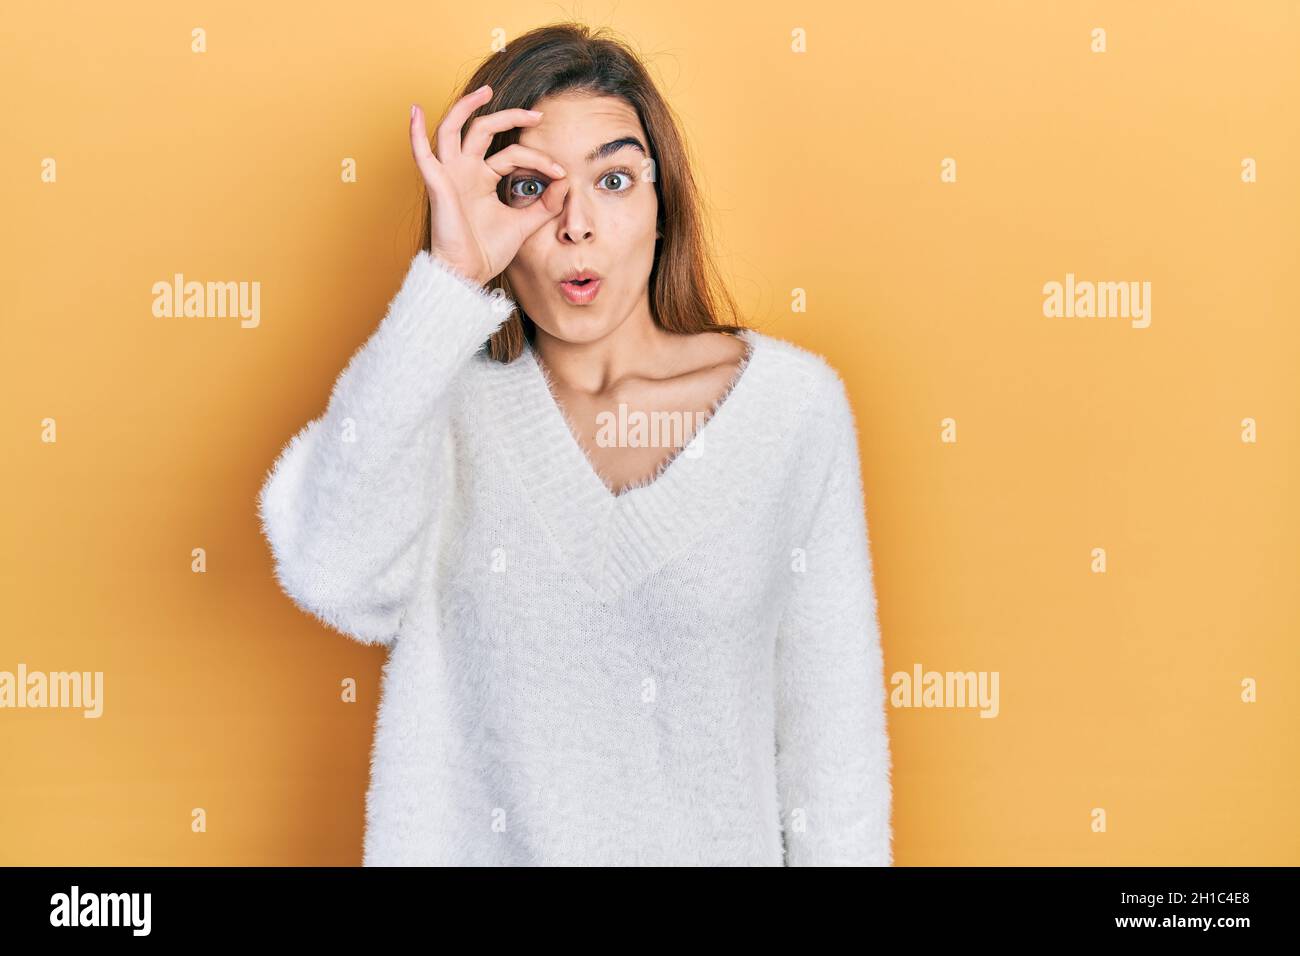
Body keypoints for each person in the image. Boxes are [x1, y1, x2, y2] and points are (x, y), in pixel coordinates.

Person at [257, 22, 892, 866]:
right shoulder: (435, 408)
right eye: (528, 188)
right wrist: (446, 282)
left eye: (615, 179)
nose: (576, 225)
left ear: (662, 207)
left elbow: (832, 762)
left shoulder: (794, 411)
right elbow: (331, 573)